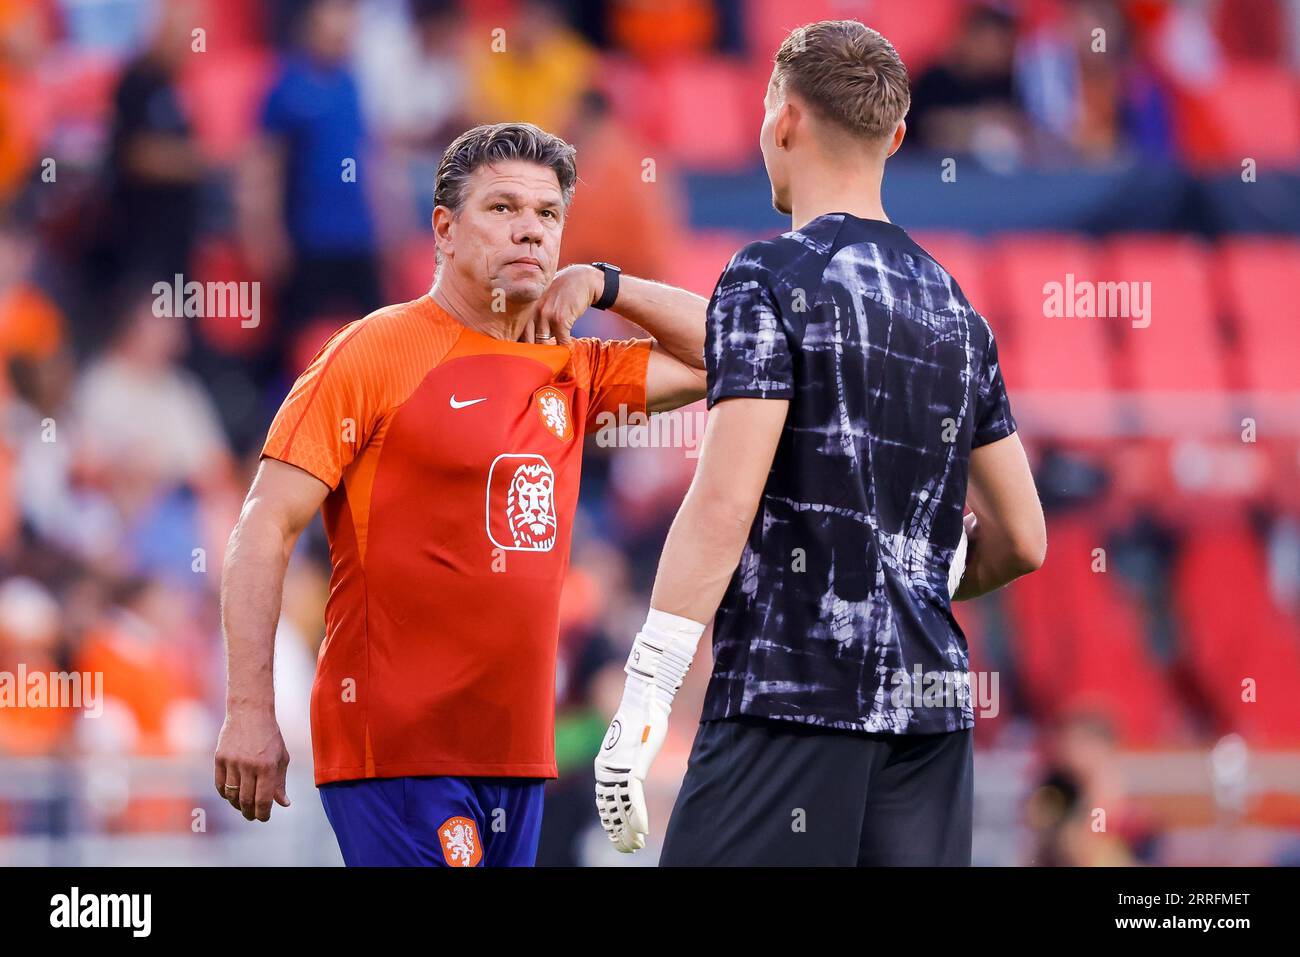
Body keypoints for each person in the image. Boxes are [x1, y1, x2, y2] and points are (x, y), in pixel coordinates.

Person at [593, 20, 1046, 866]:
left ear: (783, 120)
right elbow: (1024, 538)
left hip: (788, 701)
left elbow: (725, 500)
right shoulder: (958, 312)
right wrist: (919, 572)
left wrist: (647, 689)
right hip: (931, 715)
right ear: (897, 137)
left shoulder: (768, 275)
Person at [215, 121, 709, 867]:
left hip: (517, 754)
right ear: (443, 228)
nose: (530, 232)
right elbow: (264, 524)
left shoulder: (573, 366)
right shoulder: (374, 353)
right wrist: (250, 708)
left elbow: (737, 352)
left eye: (547, 215)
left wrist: (606, 282)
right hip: (399, 747)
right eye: (503, 208)